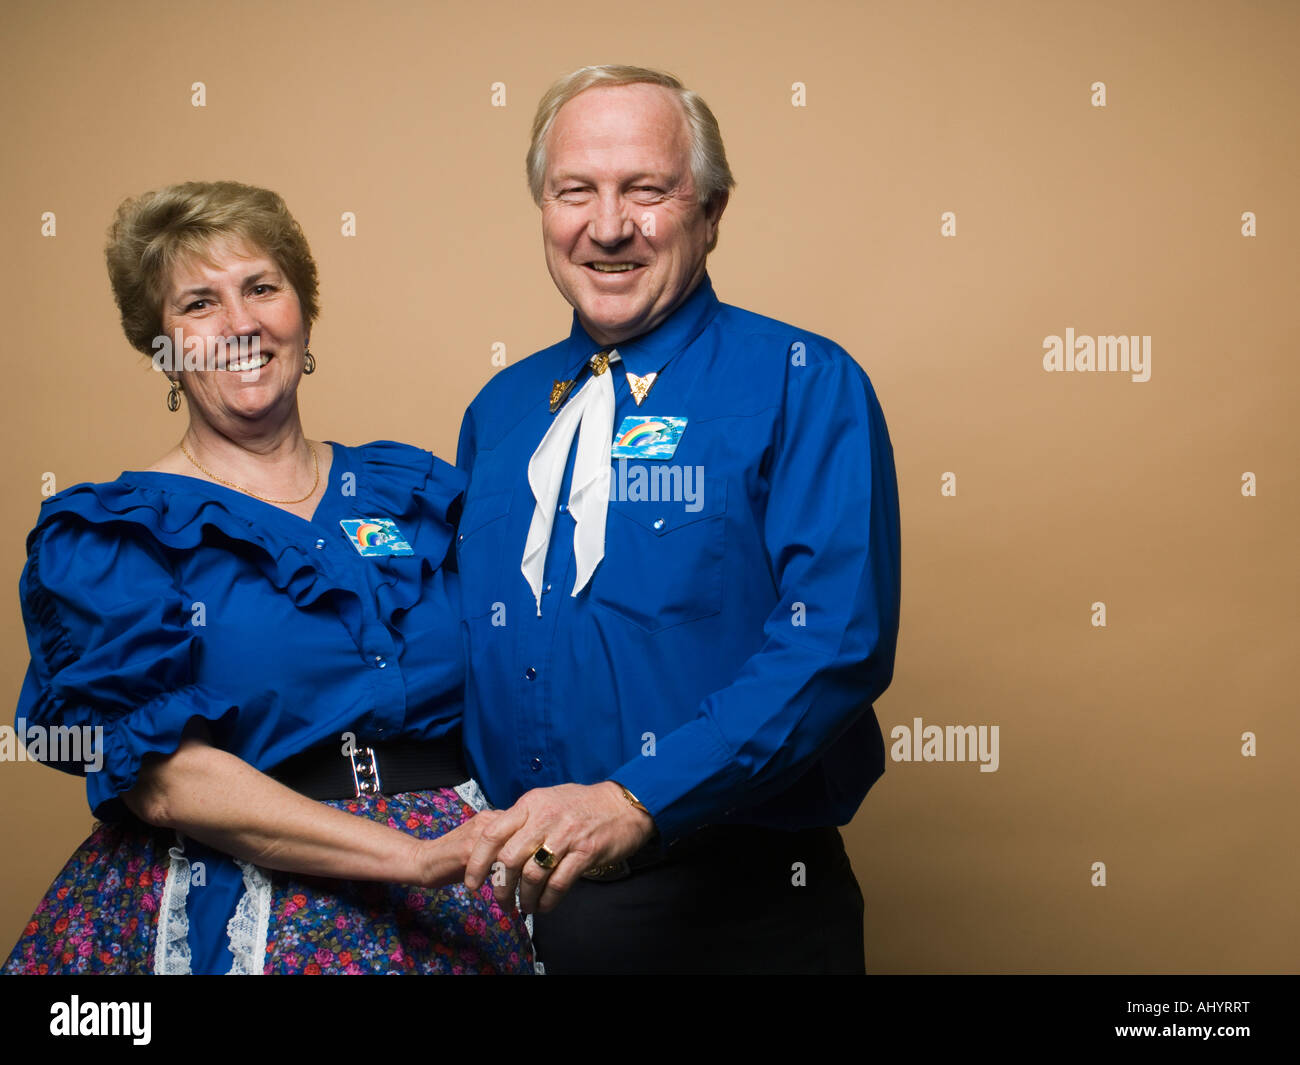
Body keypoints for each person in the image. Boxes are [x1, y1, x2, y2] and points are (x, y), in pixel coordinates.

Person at [3, 181, 532, 975]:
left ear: (303, 312)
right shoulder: (114, 536)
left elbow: (523, 671)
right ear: (163, 347)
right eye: (198, 304)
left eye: (261, 287)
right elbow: (165, 782)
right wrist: (413, 857)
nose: (240, 323)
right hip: (239, 906)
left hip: (460, 894)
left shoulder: (413, 491)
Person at [455, 66, 902, 973]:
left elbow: (836, 643)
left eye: (647, 190)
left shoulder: (803, 382)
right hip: (518, 917)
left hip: (738, 914)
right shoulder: (498, 412)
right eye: (574, 190)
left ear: (712, 212)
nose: (609, 225)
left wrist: (635, 797)